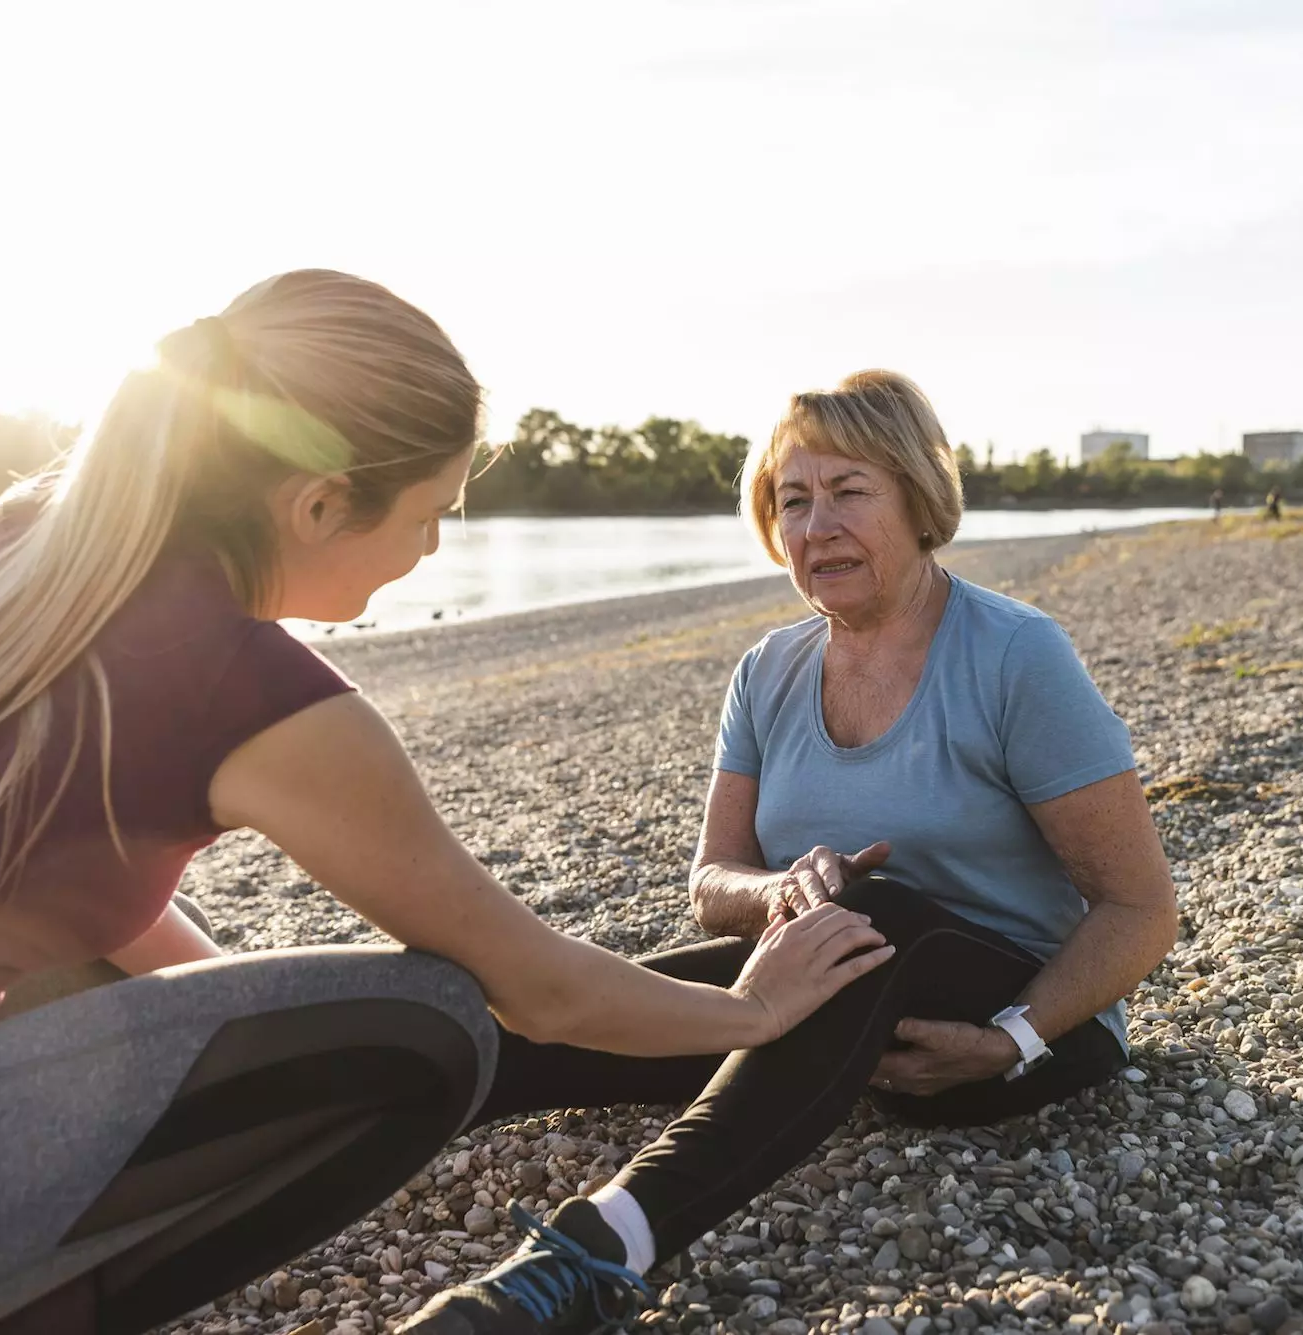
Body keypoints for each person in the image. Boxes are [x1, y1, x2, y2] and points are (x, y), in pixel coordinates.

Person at [0, 271, 893, 1335]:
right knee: (423, 1024)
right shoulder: (244, 685)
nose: (434, 547)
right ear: (322, 505)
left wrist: (236, 1040)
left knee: (85, 969)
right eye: (431, 511)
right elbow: (529, 982)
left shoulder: (26, 552)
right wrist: (756, 1014)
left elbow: (66, 889)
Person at [406, 372, 1179, 1334]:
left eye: (849, 491)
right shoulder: (766, 670)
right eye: (792, 500)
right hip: (827, 999)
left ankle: (601, 1250)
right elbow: (711, 882)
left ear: (917, 495)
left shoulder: (1017, 656)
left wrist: (1010, 1040)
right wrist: (781, 885)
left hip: (1020, 1024)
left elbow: (1142, 908)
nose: (817, 526)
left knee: (872, 916)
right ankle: (337, 1123)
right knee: (575, 1021)